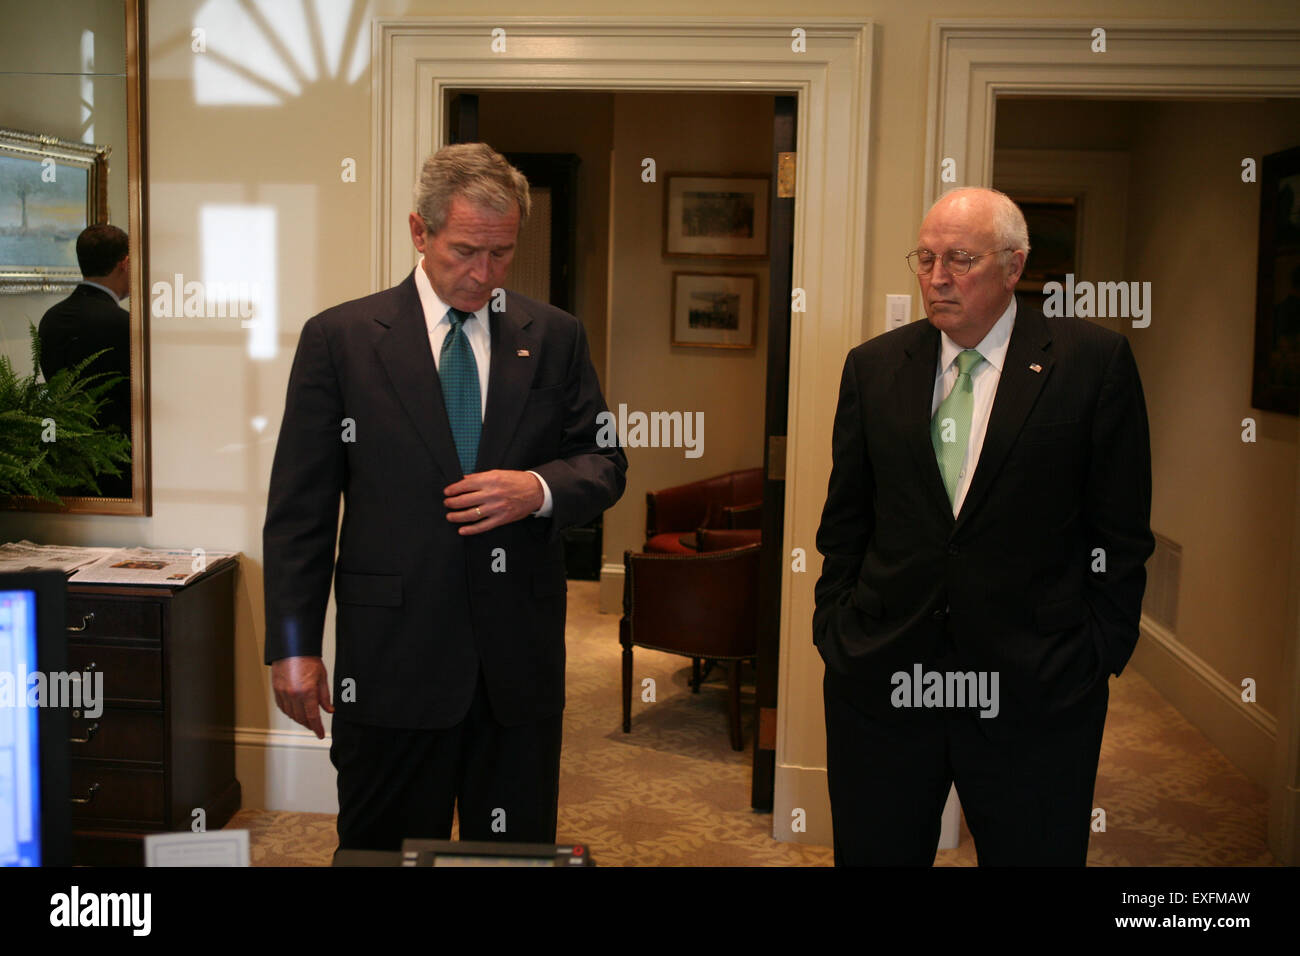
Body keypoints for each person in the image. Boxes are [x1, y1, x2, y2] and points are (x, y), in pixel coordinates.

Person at [263, 142, 627, 852]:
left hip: (516, 667)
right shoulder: (340, 340)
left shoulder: (554, 337)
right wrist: (294, 645)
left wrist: (540, 488)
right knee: (380, 854)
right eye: (465, 251)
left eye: (501, 254)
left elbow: (606, 460)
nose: (482, 274)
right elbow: (300, 512)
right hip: (393, 662)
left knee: (511, 859)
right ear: (419, 231)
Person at [813, 186, 1154, 866]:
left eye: (961, 259)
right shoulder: (874, 367)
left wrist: (1096, 654)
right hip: (885, 678)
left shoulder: (1092, 363)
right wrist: (838, 629)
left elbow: (1121, 534)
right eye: (926, 258)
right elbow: (846, 521)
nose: (937, 278)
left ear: (1014, 265)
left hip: (1037, 687)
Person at [37, 223, 132, 498]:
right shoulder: (124, 324)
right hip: (119, 465)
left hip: (60, 461)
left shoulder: (50, 319)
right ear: (125, 263)